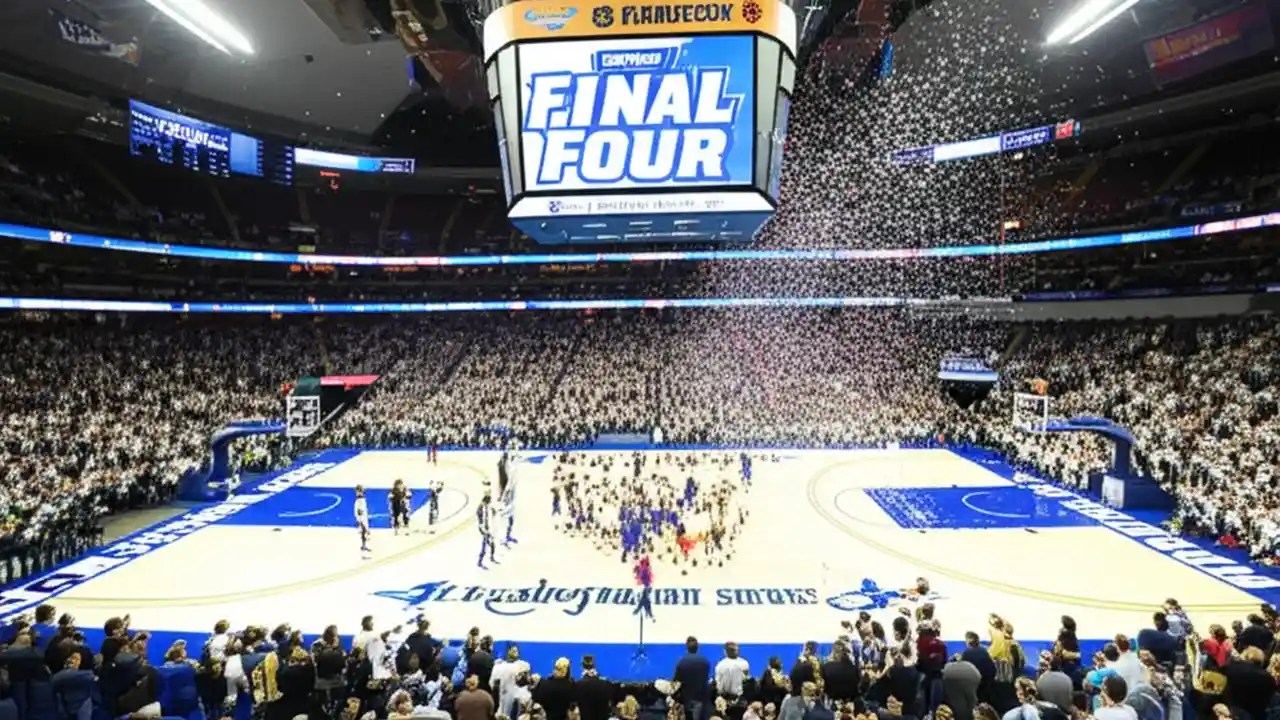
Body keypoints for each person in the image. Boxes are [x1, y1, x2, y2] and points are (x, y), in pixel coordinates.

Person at [674, 637, 711, 720]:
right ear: (698, 647)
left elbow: (676, 681)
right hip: (702, 698)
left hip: (687, 699)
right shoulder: (705, 661)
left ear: (687, 647)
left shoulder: (682, 662)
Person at [477, 494, 497, 569]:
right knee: (485, 546)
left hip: (487, 528)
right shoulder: (481, 508)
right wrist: (483, 529)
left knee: (492, 544)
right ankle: (479, 562)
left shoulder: (485, 506)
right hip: (484, 529)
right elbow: (480, 519)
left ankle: (491, 557)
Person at [354, 485, 371, 554]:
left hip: (364, 518)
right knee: (364, 531)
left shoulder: (362, 500)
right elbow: (359, 511)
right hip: (362, 519)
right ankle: (363, 545)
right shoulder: (359, 501)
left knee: (365, 531)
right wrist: (360, 520)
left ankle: (364, 545)